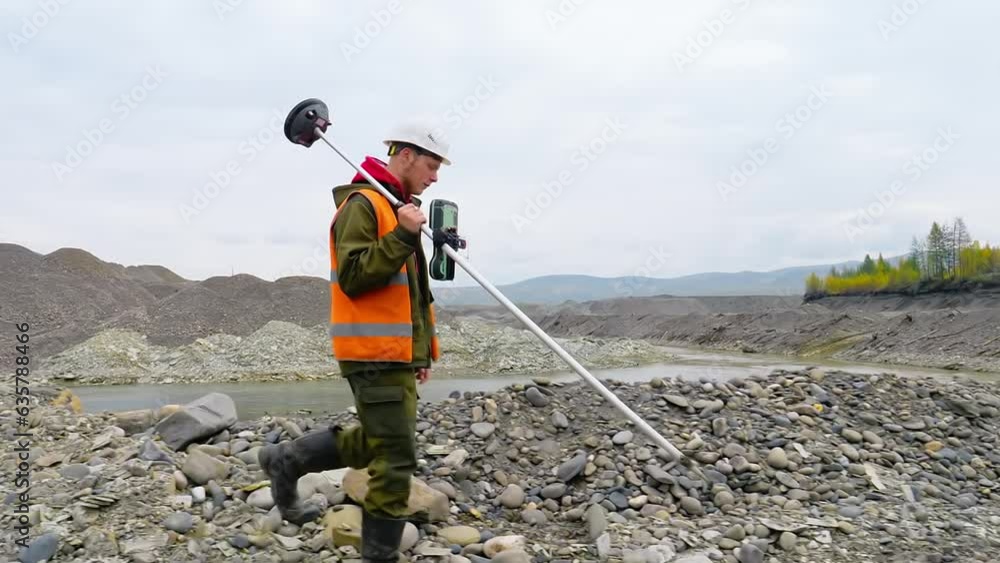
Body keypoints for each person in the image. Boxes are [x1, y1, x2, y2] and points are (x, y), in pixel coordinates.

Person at [258, 119, 451, 562]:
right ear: (406, 156)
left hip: (395, 354)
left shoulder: (396, 207)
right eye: (431, 165)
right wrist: (403, 234)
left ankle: (287, 459)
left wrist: (420, 352)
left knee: (378, 443)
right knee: (396, 462)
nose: (435, 176)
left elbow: (410, 295)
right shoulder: (364, 204)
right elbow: (355, 277)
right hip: (372, 352)